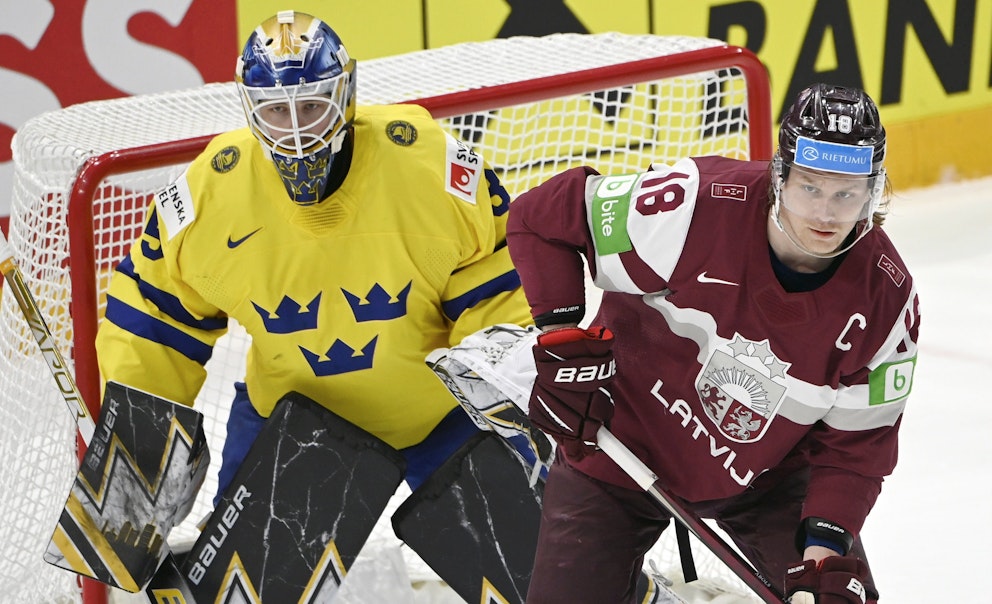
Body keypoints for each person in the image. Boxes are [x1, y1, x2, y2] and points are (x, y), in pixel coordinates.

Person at [95, 10, 533, 511]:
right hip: (291, 424)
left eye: (311, 106)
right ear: (250, 110)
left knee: (542, 559)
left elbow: (497, 285)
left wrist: (507, 396)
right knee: (239, 568)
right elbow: (155, 315)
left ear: (344, 96)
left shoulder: (428, 164)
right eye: (276, 112)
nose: (297, 131)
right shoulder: (209, 194)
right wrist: (139, 439)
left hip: (441, 418)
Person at [506, 83, 919, 603]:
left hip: (767, 479)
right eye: (810, 187)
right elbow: (542, 218)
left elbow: (856, 450)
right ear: (780, 176)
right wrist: (564, 344)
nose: (826, 215)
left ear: (873, 191)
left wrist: (823, 549)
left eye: (846, 194)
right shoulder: (691, 206)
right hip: (618, 443)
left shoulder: (887, 301)